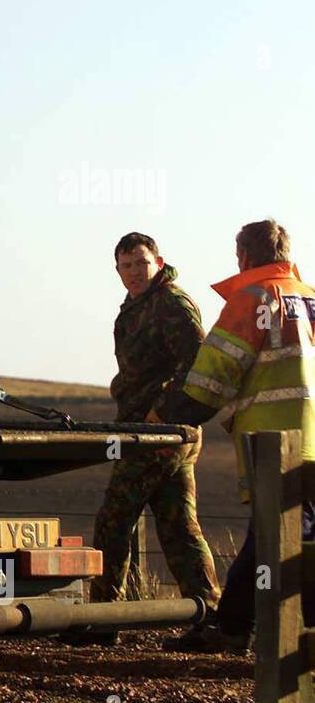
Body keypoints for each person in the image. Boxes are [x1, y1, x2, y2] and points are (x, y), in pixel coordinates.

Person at [155, 219, 315, 652]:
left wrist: (174, 417)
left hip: (275, 443)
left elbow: (215, 374)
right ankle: (248, 626)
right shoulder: (311, 299)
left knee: (268, 535)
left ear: (243, 256)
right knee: (291, 536)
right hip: (313, 444)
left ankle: (232, 629)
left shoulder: (254, 298)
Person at [83, 234, 221, 629]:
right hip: (150, 431)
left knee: (114, 520)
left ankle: (104, 620)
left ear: (158, 263)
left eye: (141, 264)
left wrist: (162, 411)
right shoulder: (135, 307)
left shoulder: (171, 304)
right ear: (117, 270)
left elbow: (196, 363)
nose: (134, 273)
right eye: (126, 266)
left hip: (160, 433)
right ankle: (210, 615)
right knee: (178, 524)